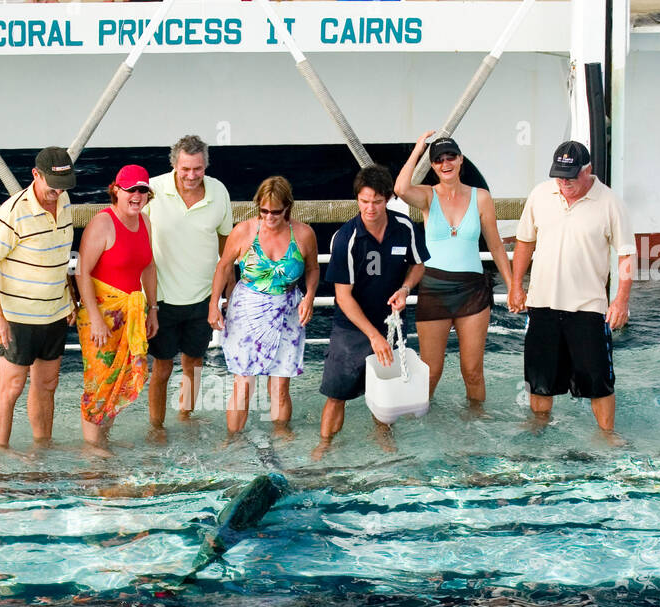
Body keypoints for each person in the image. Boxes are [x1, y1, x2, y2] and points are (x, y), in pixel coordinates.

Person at [509, 140, 636, 434]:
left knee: (598, 382)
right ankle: (539, 432)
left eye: (571, 176)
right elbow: (525, 240)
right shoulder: (540, 194)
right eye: (559, 176)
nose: (564, 182)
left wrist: (621, 300)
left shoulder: (610, 202)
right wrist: (517, 285)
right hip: (542, 305)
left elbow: (626, 253)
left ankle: (606, 436)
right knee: (540, 381)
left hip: (588, 307)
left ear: (588, 170)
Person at [315, 165, 428, 456]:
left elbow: (418, 265)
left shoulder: (405, 228)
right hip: (352, 328)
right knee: (336, 393)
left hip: (390, 321)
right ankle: (324, 446)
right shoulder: (346, 238)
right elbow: (343, 296)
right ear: (357, 199)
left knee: (385, 390)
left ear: (388, 198)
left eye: (377, 201)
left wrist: (405, 289)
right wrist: (373, 336)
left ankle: (384, 441)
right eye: (364, 201)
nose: (370, 208)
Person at [395, 133, 515, 405]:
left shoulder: (481, 197)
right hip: (434, 289)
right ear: (434, 166)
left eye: (450, 157)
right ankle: (420, 425)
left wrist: (513, 286)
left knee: (472, 372)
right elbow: (401, 188)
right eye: (438, 160)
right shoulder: (427, 196)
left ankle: (475, 429)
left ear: (460, 160)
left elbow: (496, 246)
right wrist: (417, 150)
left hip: (472, 292)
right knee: (431, 372)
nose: (445, 163)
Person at [0, 146, 76, 449]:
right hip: (17, 317)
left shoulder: (64, 199)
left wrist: (70, 298)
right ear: (35, 175)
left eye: (63, 186)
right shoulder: (13, 212)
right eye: (53, 186)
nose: (57, 193)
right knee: (11, 387)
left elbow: (60, 257)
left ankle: (42, 450)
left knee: (47, 385)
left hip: (55, 314)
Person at [208, 176, 320, 436]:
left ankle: (280, 438)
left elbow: (313, 269)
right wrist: (214, 304)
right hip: (247, 310)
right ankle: (233, 440)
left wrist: (310, 297)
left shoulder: (303, 234)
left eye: (276, 212)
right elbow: (223, 266)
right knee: (243, 383)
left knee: (280, 385)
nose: (270, 217)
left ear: (288, 208)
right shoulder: (244, 231)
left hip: (287, 311)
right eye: (264, 211)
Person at [145, 135, 234, 433]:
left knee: (194, 363)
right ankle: (156, 428)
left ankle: (185, 418)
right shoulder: (153, 189)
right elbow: (135, 237)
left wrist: (228, 295)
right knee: (162, 367)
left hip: (203, 298)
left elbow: (227, 248)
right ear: (174, 165)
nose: (192, 175)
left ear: (205, 165)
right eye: (185, 169)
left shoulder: (219, 191)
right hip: (162, 299)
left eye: (198, 168)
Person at [75, 164, 159, 451]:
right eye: (131, 190)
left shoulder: (145, 222)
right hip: (101, 317)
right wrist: (97, 320)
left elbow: (148, 266)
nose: (137, 195)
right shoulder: (103, 223)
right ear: (116, 190)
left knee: (119, 382)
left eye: (142, 190)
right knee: (99, 384)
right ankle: (93, 453)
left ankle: (103, 441)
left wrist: (153, 309)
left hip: (132, 313)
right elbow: (81, 272)